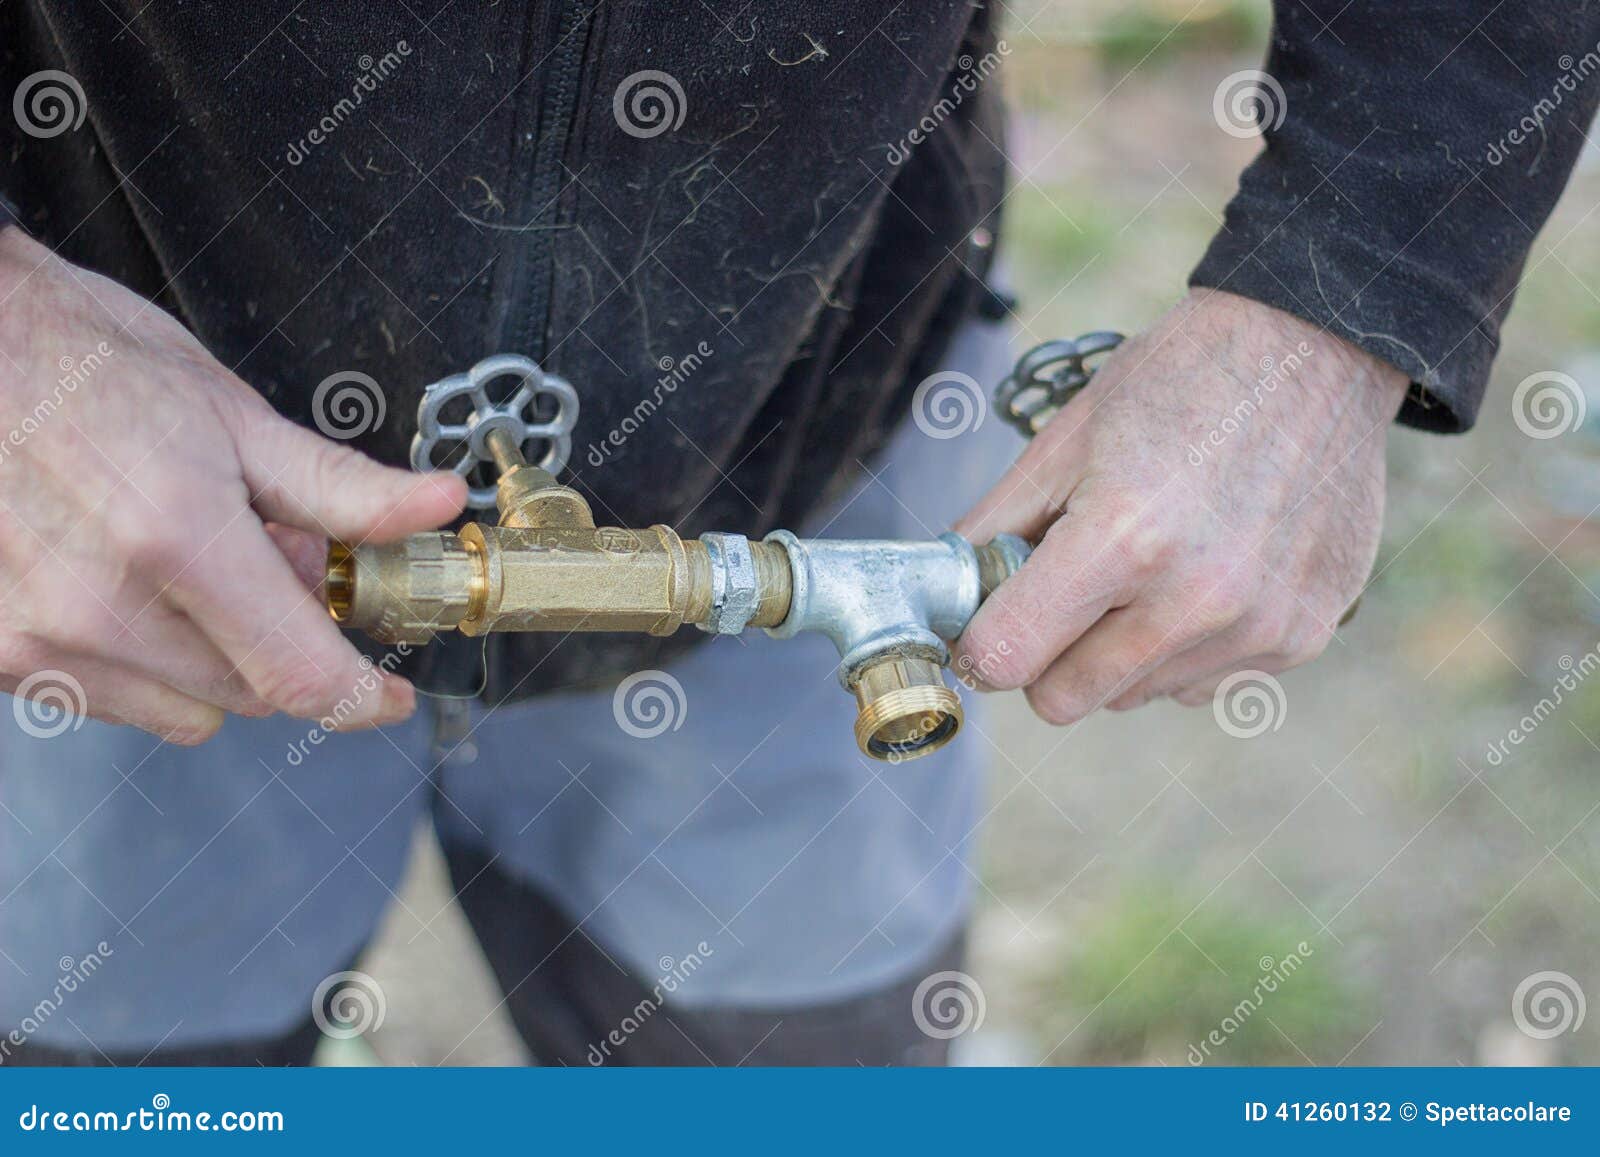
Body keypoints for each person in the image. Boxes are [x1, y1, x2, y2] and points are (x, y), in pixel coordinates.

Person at [1, 2, 1595, 1065]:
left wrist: (1344, 289)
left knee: (792, 1065)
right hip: (108, 484)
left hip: (823, 426)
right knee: (111, 1073)